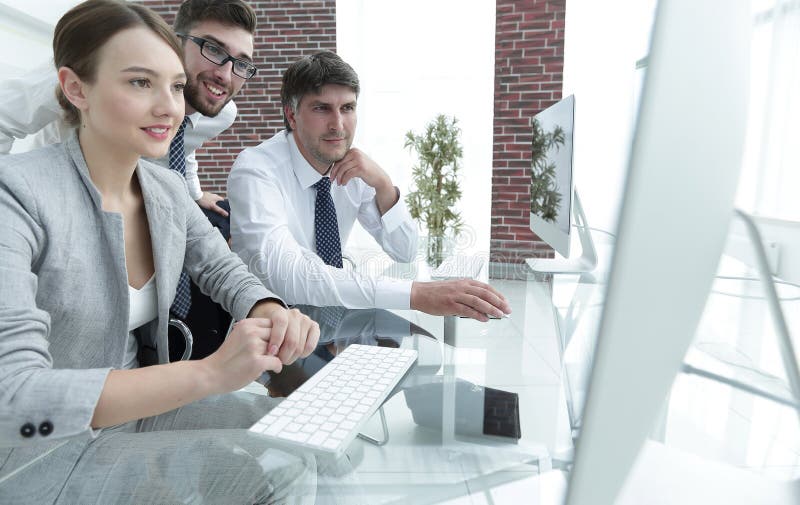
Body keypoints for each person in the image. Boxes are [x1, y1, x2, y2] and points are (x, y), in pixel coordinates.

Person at [0, 2, 319, 503]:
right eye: (139, 83)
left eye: (173, 85)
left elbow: (219, 265)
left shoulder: (165, 187)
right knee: (279, 466)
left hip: (137, 411)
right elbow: (14, 401)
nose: (170, 107)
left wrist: (269, 309)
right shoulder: (16, 193)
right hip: (41, 449)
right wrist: (210, 374)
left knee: (308, 435)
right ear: (75, 87)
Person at [228, 51, 511, 321]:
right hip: (269, 335)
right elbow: (288, 275)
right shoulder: (256, 170)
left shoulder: (352, 168)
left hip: (333, 322)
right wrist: (417, 294)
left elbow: (406, 251)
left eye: (347, 108)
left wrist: (384, 184)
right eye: (322, 109)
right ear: (292, 115)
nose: (337, 125)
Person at [0, 0, 258, 219]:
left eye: (242, 63)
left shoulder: (221, 114)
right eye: (213, 49)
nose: (225, 74)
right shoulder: (97, 67)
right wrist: (17, 203)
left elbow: (183, 146)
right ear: (175, 41)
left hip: (126, 209)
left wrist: (195, 194)